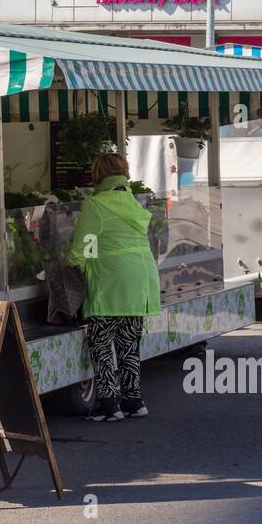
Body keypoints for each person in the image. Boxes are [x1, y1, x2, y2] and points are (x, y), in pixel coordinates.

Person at [68, 152, 161, 422]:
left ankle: (109, 404)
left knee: (100, 342)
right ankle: (133, 400)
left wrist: (73, 264)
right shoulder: (131, 201)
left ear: (98, 175)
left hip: (112, 282)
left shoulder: (95, 205)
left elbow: (82, 248)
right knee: (129, 343)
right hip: (141, 280)